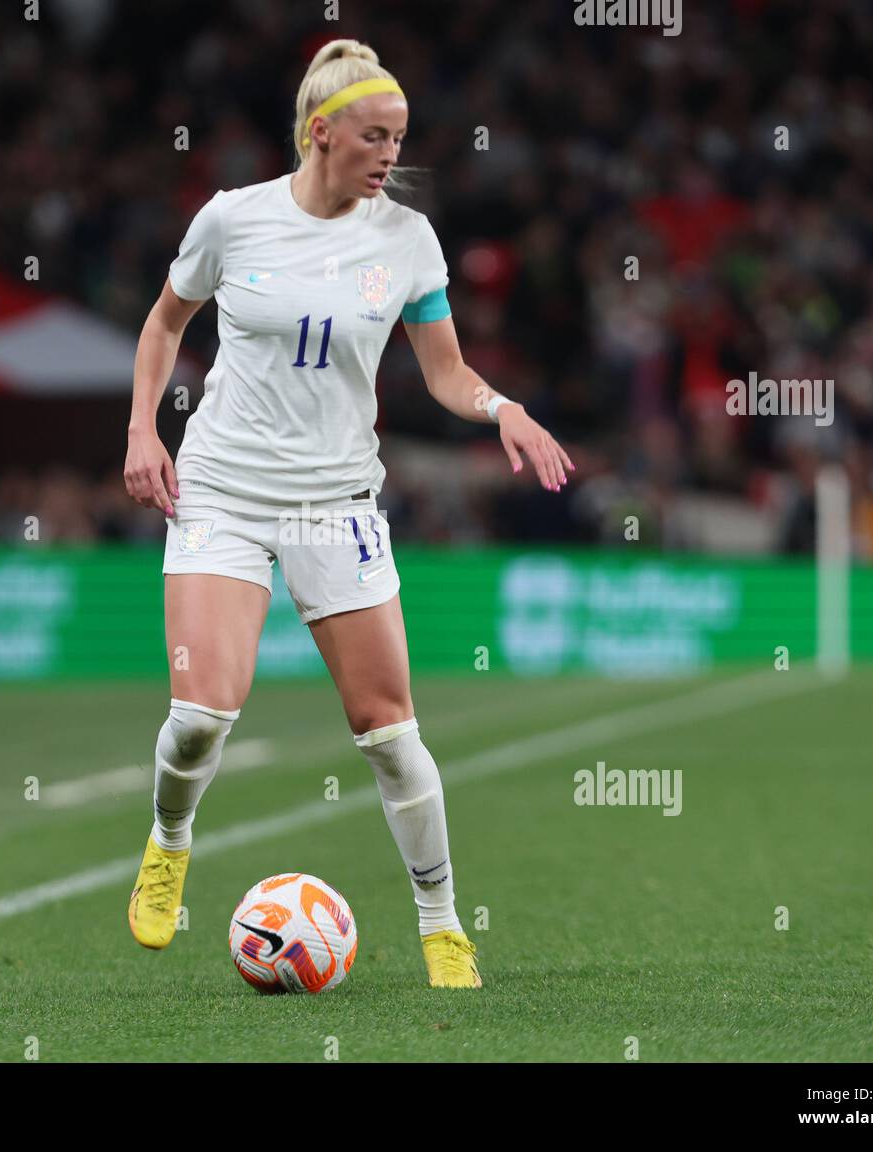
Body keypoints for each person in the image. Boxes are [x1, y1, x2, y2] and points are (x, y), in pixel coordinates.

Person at [123, 38, 574, 988]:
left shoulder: (406, 239)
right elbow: (166, 323)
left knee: (389, 730)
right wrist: (142, 432)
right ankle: (169, 841)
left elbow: (446, 373)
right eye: (375, 137)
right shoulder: (232, 220)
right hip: (224, 488)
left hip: (336, 498)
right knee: (203, 713)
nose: (389, 157)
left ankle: (442, 921)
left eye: (400, 139)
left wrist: (505, 408)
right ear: (320, 132)